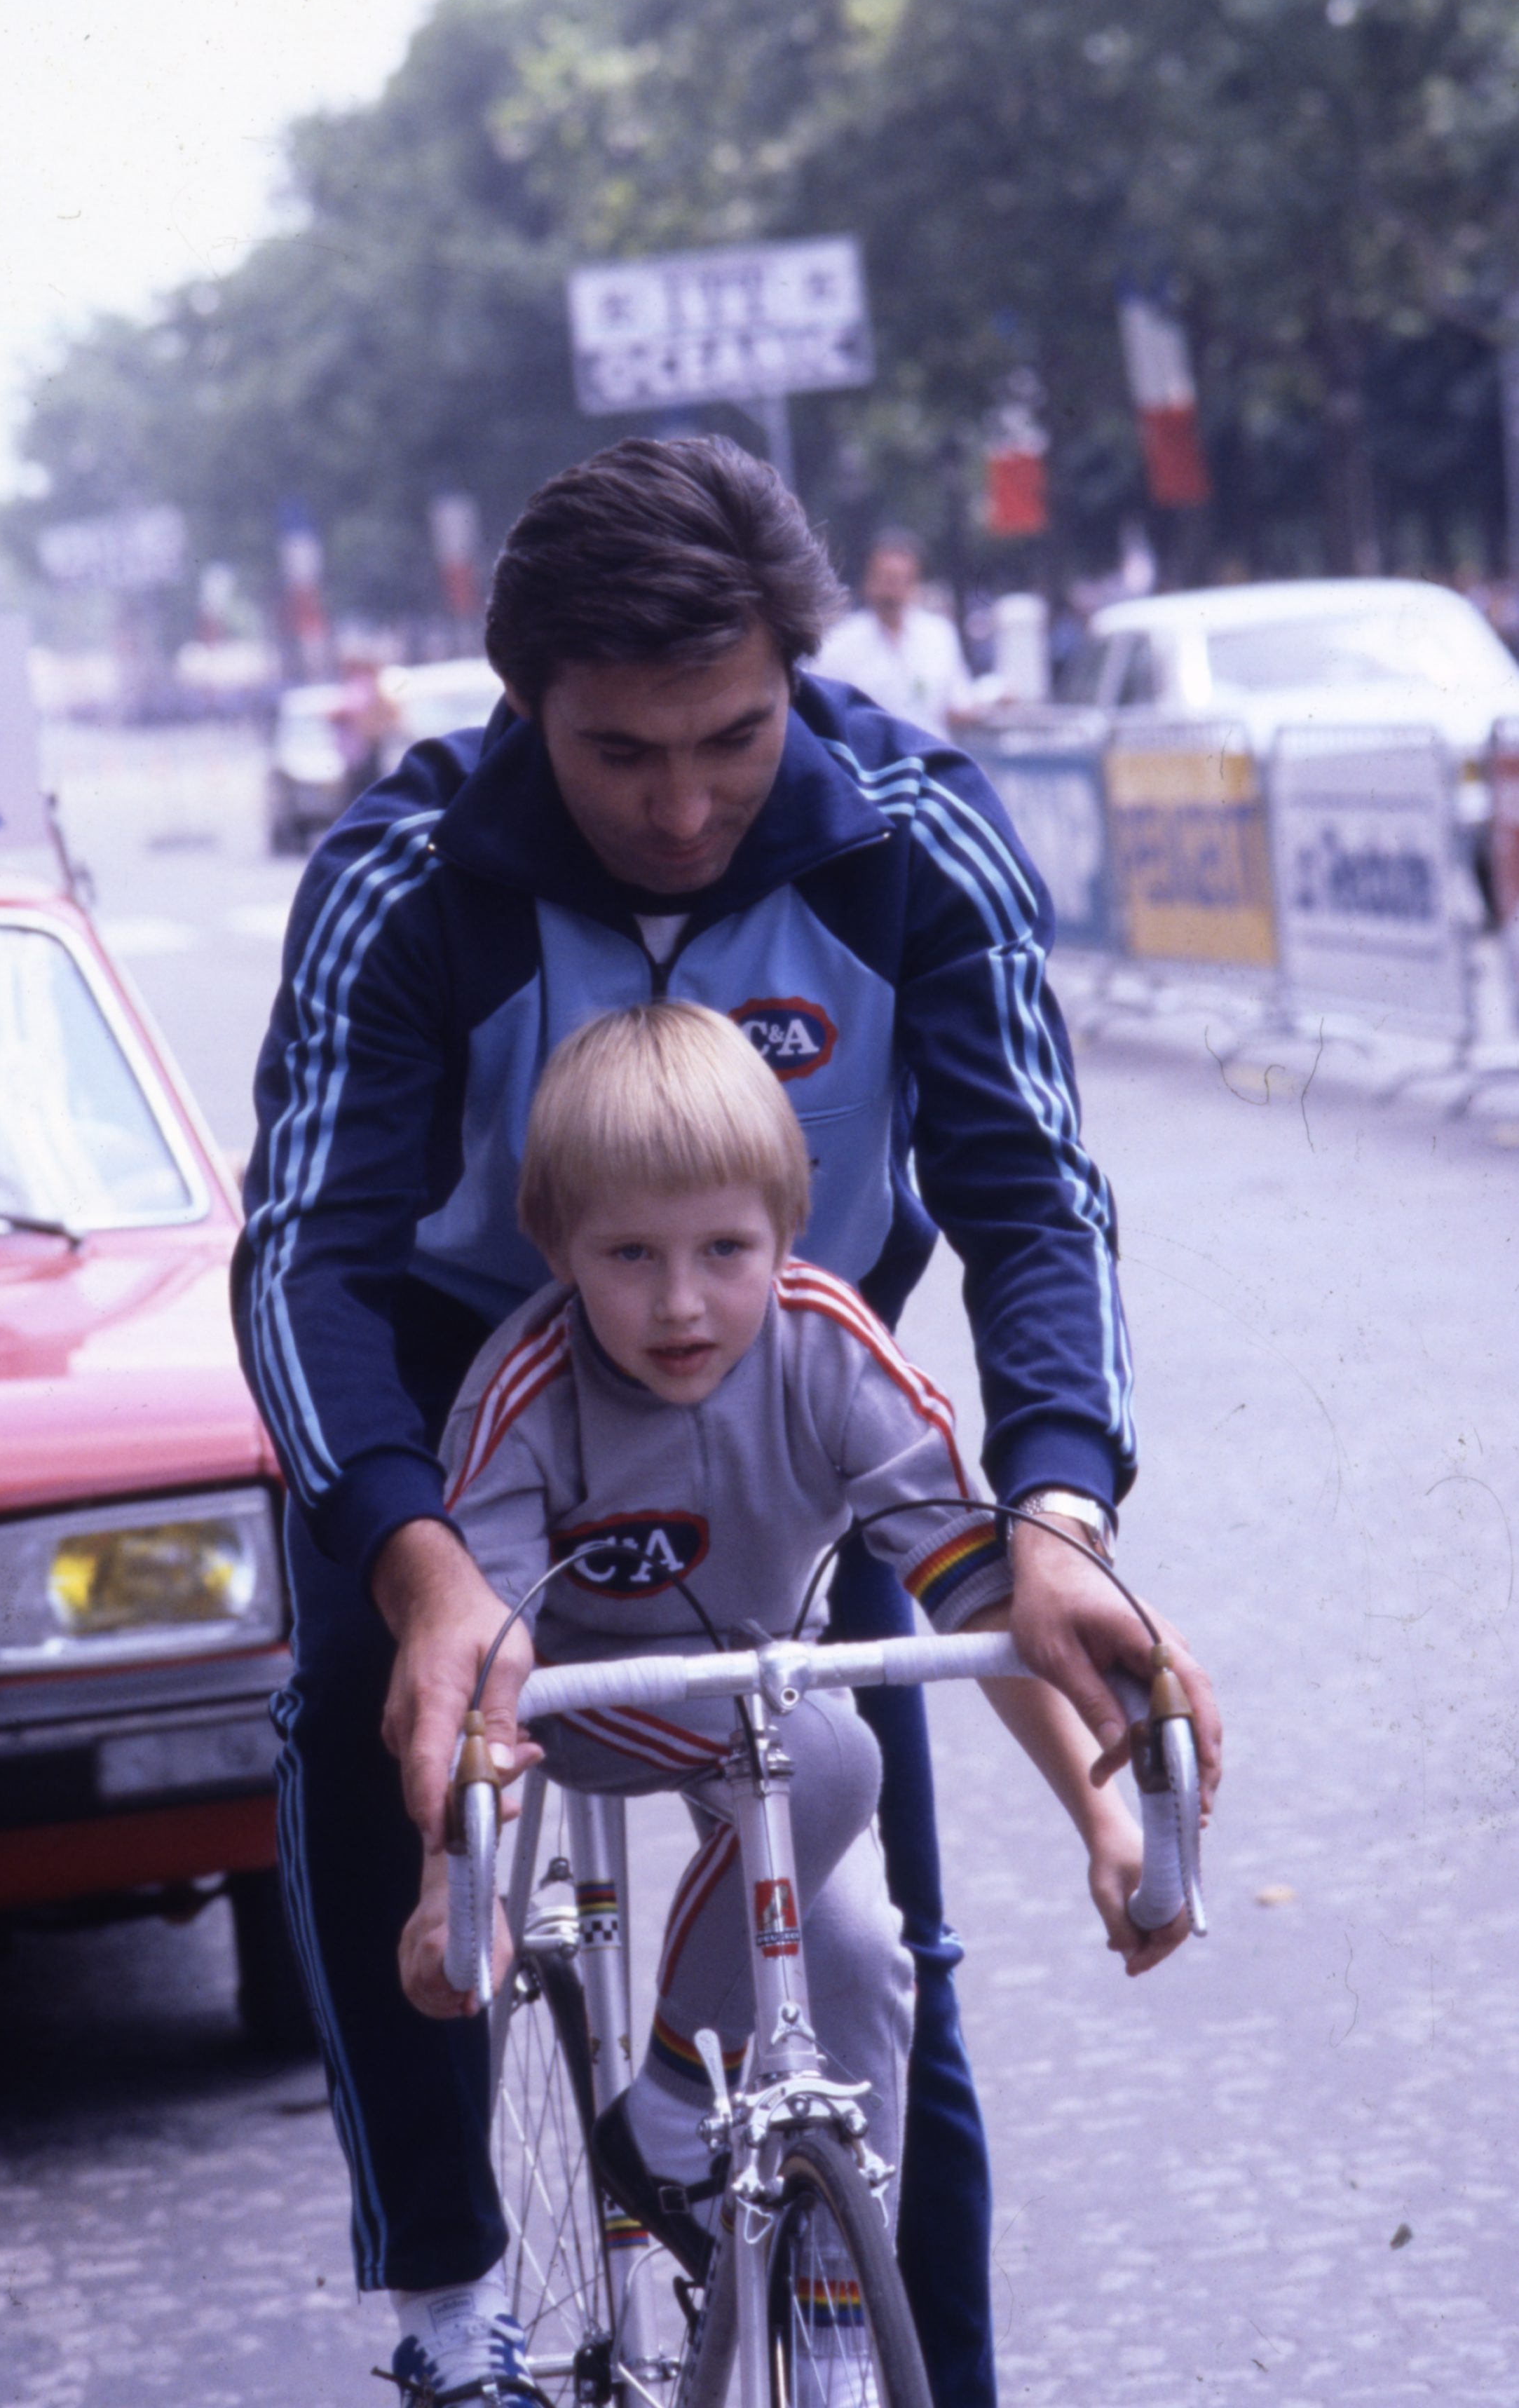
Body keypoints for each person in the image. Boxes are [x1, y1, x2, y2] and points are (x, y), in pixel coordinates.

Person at [231, 434, 1220, 2408]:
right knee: (364, 1702)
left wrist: (1058, 1515)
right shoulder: (404, 878)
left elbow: (1033, 1199)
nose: (682, 806)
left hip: (785, 1374)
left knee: (877, 1946)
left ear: (802, 678)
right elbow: (305, 1263)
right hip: (464, 1387)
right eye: (619, 756)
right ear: (529, 709)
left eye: (734, 739)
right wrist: (423, 1580)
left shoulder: (913, 837)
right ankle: (449, 2300)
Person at [401, 1000, 1183, 2348]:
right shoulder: (522, 1390)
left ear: (793, 1226)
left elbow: (987, 1608)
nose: (682, 1302)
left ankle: (831, 2331)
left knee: (868, 1958)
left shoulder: (829, 1347)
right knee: (826, 1756)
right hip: (574, 1706)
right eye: (629, 1256)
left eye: (726, 1250)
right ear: (553, 1246)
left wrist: (1105, 1821)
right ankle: (650, 2116)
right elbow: (478, 1685)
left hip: (750, 1704)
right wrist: (447, 1895)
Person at [817, 528, 979, 735]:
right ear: (868, 582)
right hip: (867, 765)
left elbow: (958, 705)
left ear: (915, 583)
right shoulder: (839, 642)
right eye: (886, 579)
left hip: (931, 761)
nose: (893, 590)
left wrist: (991, 701)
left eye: (902, 580)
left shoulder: (939, 635)